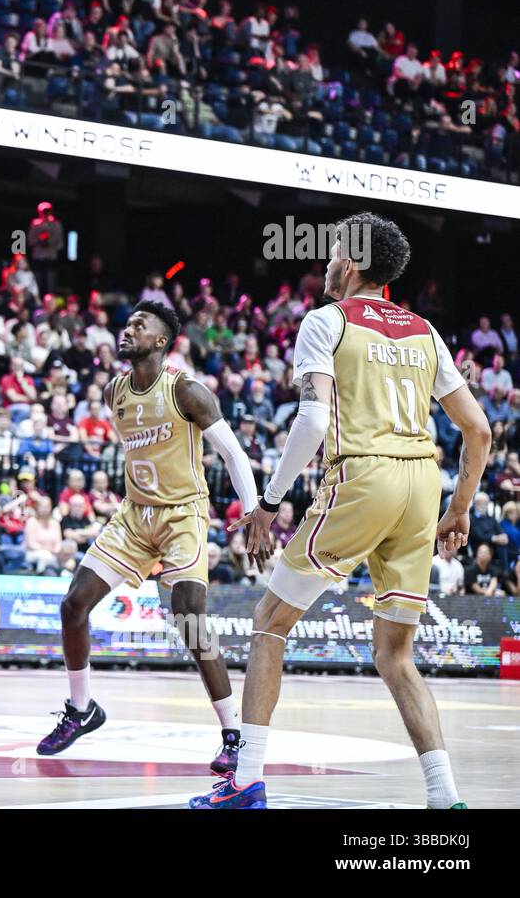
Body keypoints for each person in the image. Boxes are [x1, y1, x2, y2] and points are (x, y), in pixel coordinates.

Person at [195, 214, 489, 809]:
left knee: (269, 620)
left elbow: (312, 420)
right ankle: (445, 796)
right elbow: (478, 430)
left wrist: (270, 503)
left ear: (349, 265)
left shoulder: (326, 320)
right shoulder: (425, 331)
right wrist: (458, 511)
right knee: (395, 654)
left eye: (331, 253)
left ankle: (246, 779)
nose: (326, 262)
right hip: (423, 483)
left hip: (363, 475)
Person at [37, 301, 260, 777]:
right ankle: (82, 710)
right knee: (73, 605)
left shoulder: (187, 391)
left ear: (161, 341)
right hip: (135, 515)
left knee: (191, 620)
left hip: (182, 514)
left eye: (141, 324)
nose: (128, 328)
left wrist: (254, 510)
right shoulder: (116, 390)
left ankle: (233, 734)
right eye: (128, 321)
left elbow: (234, 454)